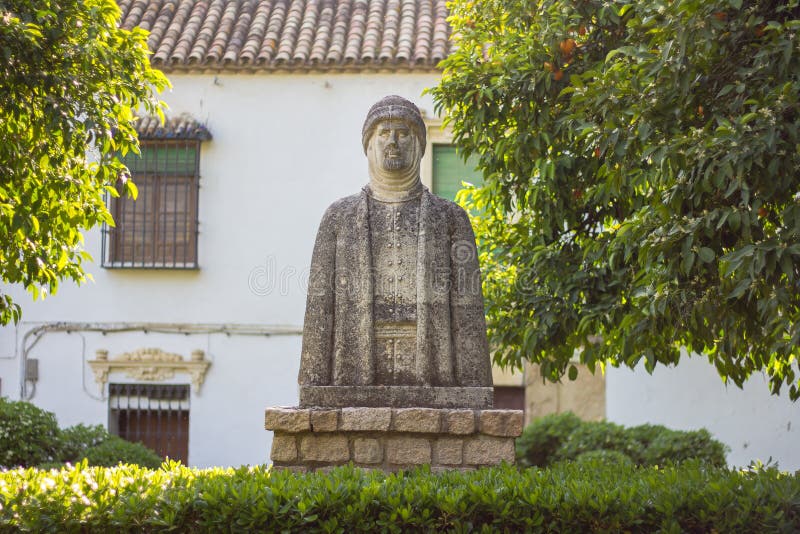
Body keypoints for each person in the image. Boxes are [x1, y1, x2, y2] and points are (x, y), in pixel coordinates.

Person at [298, 95, 492, 390]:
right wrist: (312, 384)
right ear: (368, 144)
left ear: (419, 144)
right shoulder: (338, 217)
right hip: (351, 375)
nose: (392, 142)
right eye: (383, 133)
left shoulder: (451, 218)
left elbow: (468, 314)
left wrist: (475, 390)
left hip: (435, 373)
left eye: (402, 133)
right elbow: (319, 310)